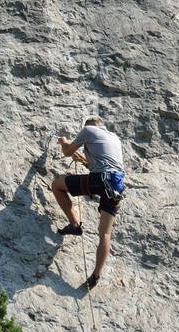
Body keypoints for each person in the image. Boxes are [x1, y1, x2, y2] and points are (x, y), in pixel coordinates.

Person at [50, 117, 126, 289]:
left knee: (57, 185)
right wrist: (85, 159)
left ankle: (75, 224)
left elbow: (68, 152)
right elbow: (103, 162)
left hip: (101, 179)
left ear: (89, 126)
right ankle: (96, 275)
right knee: (105, 234)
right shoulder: (114, 137)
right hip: (117, 185)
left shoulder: (88, 130)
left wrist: (63, 142)